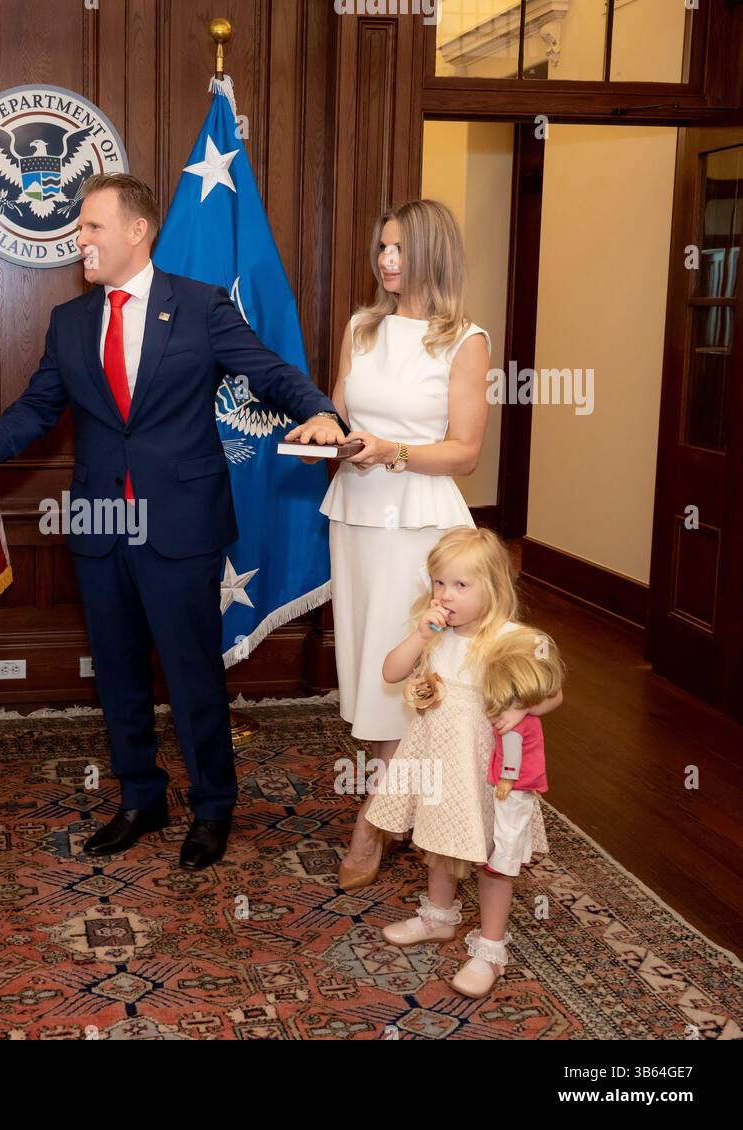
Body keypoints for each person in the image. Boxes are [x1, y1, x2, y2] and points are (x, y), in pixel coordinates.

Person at [0, 173, 345, 869]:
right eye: (79, 227)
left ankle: (213, 806)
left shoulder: (199, 306)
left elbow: (266, 370)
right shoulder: (69, 323)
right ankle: (140, 797)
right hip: (103, 525)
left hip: (182, 524)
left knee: (193, 672)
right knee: (118, 671)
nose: (80, 239)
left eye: (92, 227)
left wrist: (317, 409)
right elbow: (40, 408)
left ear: (137, 232)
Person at [305, 199, 491, 890]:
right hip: (354, 520)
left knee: (410, 678)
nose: (385, 261)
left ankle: (374, 825)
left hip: (419, 530)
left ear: (432, 257)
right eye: (381, 247)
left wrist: (391, 453)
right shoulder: (361, 328)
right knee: (370, 668)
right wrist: (328, 435)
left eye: (399, 250)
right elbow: (336, 409)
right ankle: (400, 808)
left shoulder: (465, 340)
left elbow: (466, 452)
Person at [364, 528, 562, 998]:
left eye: (460, 585)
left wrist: (522, 709)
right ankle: (438, 917)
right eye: (438, 583)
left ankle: (491, 948)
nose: (445, 595)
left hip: (490, 772)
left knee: (495, 856)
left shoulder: (514, 640)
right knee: (438, 839)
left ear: (493, 587)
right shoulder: (432, 634)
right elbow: (391, 672)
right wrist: (419, 635)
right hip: (438, 760)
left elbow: (553, 694)